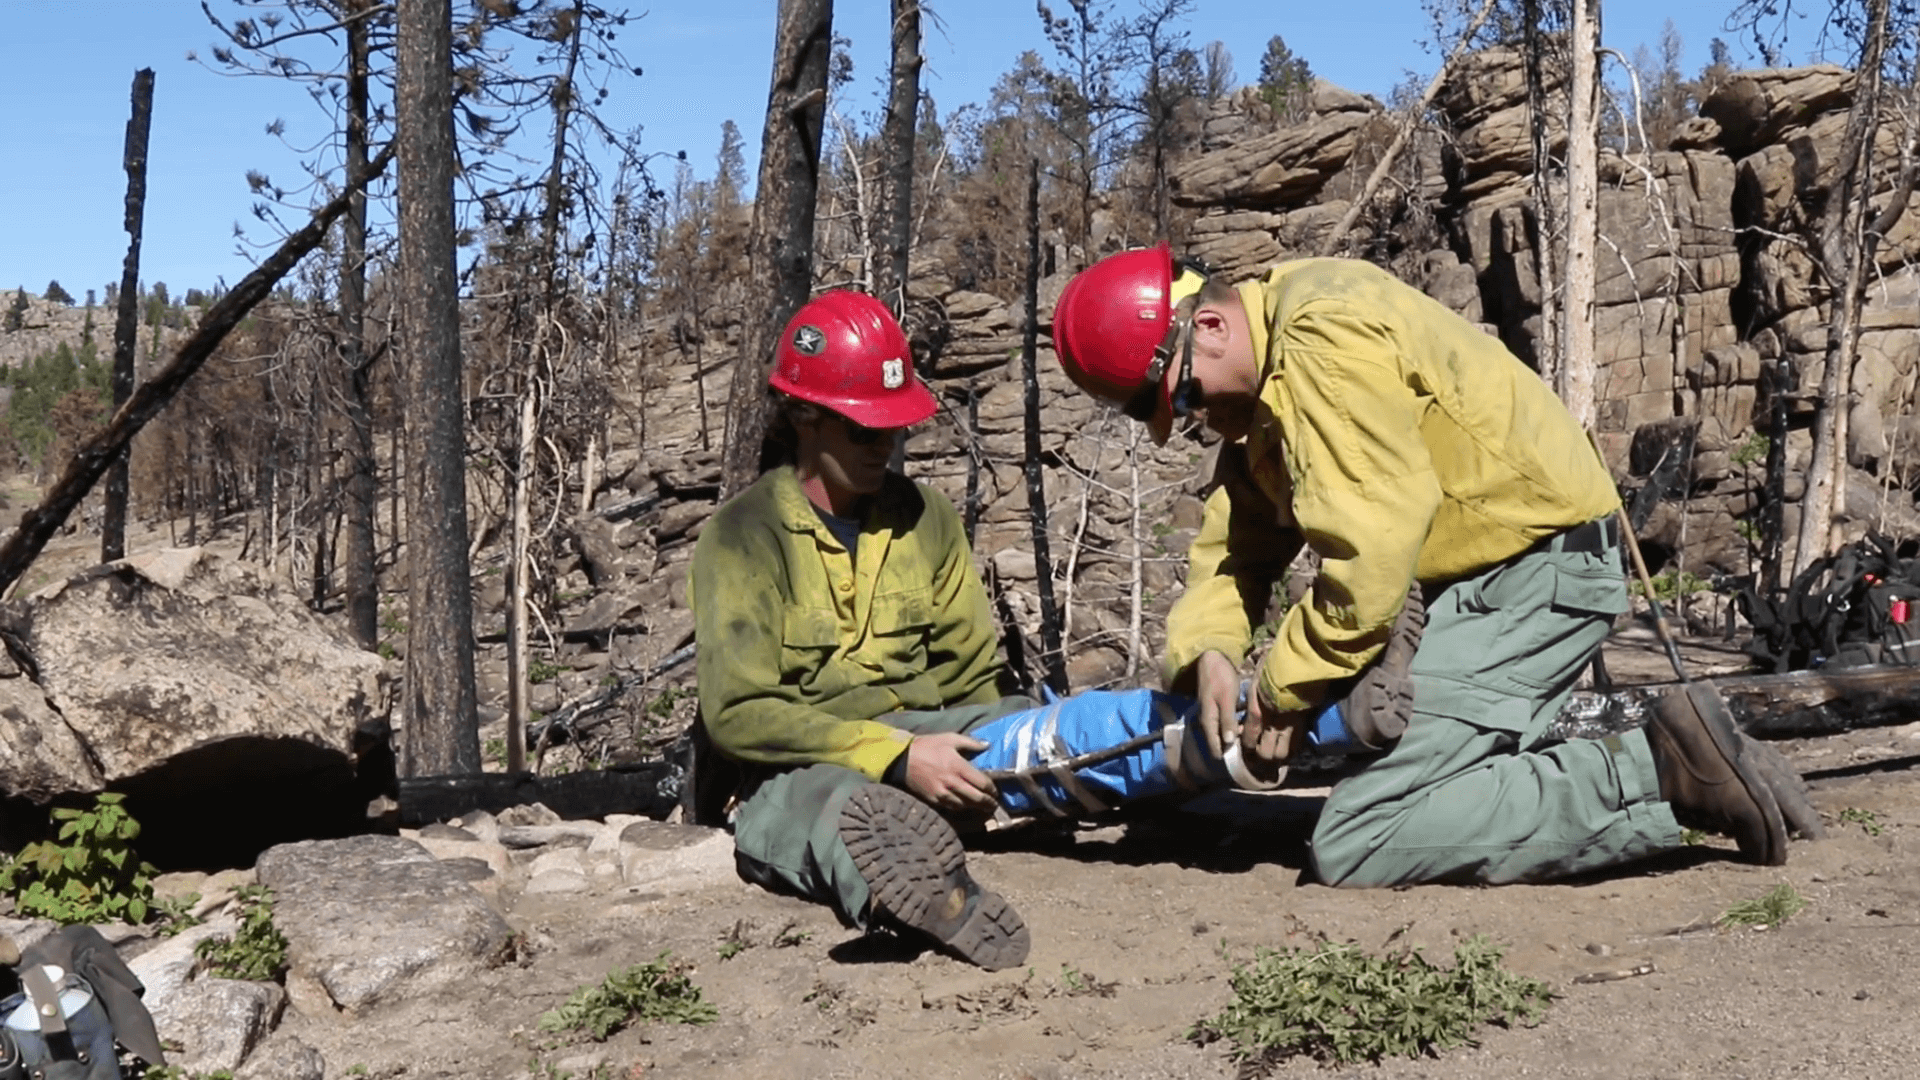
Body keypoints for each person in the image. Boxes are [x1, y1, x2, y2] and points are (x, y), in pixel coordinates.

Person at [1049, 245, 1818, 886]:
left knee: (1363, 836)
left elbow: (1373, 544)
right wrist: (1209, 650)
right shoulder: (1271, 373)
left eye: (1181, 395)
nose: (1188, 417)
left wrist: (1283, 691)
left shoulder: (1322, 336)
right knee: (1403, 745)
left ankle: (1655, 770)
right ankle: (1650, 746)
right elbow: (1234, 547)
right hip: (1479, 588)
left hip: (1532, 573)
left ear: (1210, 326)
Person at [688, 290, 1033, 970]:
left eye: (894, 428)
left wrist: (988, 744)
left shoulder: (926, 517)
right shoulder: (742, 537)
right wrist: (896, 754)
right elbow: (739, 715)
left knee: (1031, 726)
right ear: (804, 416)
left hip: (932, 738)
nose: (886, 445)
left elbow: (972, 678)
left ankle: (1170, 764)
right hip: (802, 768)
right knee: (839, 808)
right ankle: (916, 897)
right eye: (863, 429)